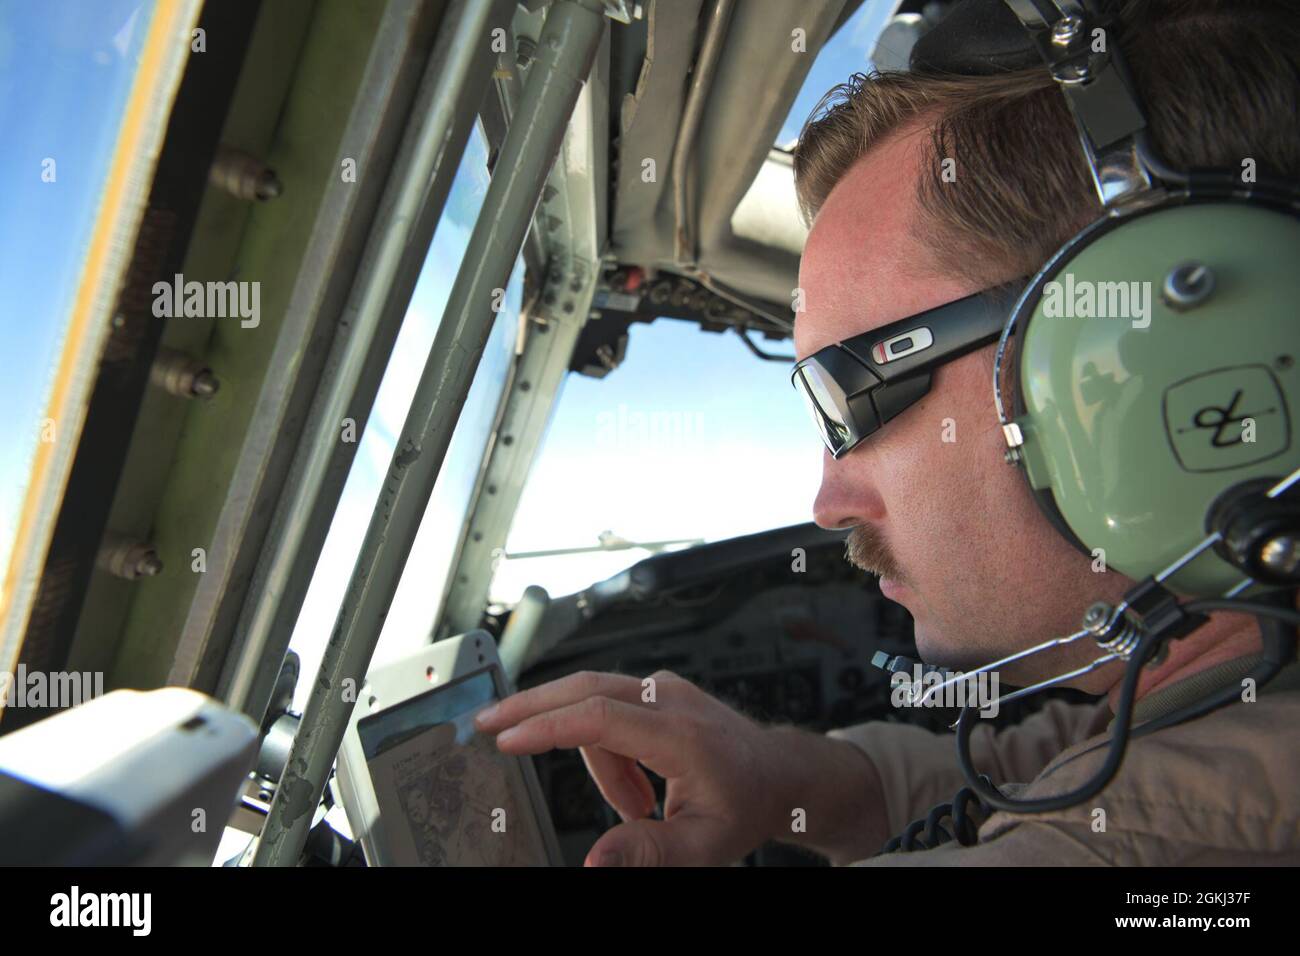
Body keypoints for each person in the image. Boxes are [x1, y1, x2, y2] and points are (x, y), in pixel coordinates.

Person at [475, 0, 1300, 866]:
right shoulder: (1207, 699)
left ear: (1173, 363)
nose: (829, 503)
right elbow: (1032, 766)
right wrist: (771, 777)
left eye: (855, 393)